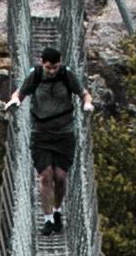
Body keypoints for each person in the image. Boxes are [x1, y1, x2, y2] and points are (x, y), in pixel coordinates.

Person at [12, 36, 86, 230]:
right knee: (46, 176)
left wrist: (87, 103)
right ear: (42, 63)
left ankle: (57, 210)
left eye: (55, 67)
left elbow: (83, 93)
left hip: (64, 134)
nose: (52, 71)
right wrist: (15, 101)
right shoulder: (35, 75)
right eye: (48, 67)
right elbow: (19, 93)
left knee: (60, 177)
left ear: (60, 63)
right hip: (41, 135)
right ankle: (48, 221)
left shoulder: (66, 74)